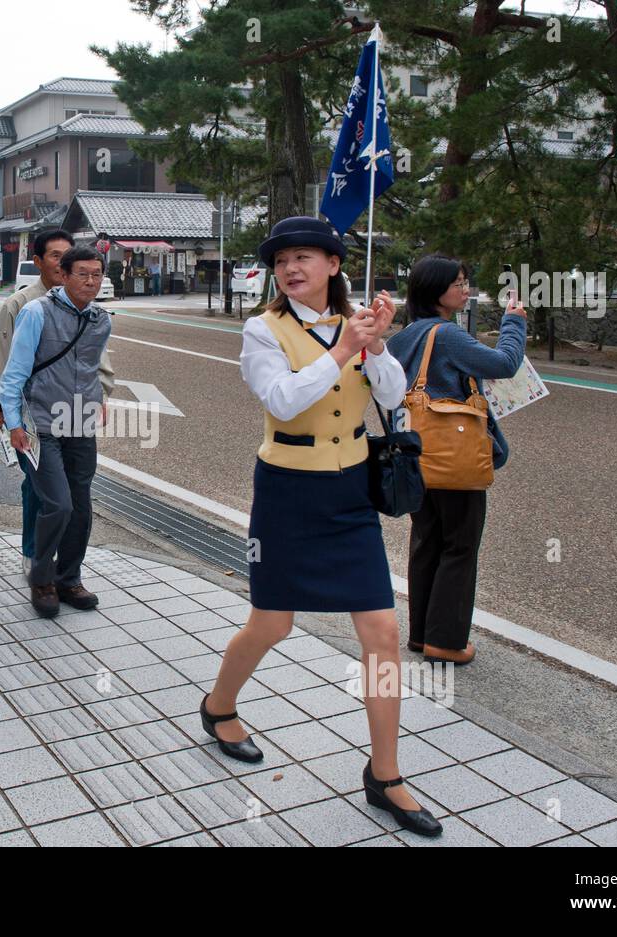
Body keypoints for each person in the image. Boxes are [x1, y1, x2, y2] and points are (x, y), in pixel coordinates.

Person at [203, 215, 442, 838]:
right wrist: (341, 352)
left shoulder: (358, 323)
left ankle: (384, 774)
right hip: (287, 491)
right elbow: (281, 400)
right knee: (272, 624)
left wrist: (379, 346)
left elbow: (392, 399)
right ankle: (218, 705)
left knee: (384, 632)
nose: (291, 268)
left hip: (350, 491)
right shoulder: (263, 329)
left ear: (334, 265)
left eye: (304, 257)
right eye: (282, 260)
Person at [386, 255, 528, 666]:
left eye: (466, 283)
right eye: (459, 284)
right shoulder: (445, 334)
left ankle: (421, 635)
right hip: (454, 456)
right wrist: (513, 323)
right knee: (459, 546)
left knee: (426, 543)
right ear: (436, 290)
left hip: (416, 456)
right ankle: (446, 641)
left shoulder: (405, 335)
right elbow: (504, 363)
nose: (466, 291)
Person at [0, 229, 104, 574]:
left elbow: (95, 362)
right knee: (43, 491)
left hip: (75, 417)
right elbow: (4, 357)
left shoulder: (93, 314)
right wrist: (0, 408)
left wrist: (100, 396)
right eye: (56, 256)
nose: (64, 262)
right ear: (40, 262)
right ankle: (34, 554)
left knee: (71, 498)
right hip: (35, 416)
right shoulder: (25, 305)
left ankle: (65, 572)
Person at [0, 245, 113, 619]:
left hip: (80, 424)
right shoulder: (36, 313)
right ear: (62, 275)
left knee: (80, 506)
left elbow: (91, 368)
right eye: (83, 273)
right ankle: (42, 579)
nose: (91, 281)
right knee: (57, 504)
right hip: (40, 425)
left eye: (97, 274)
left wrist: (99, 399)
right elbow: (13, 374)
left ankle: (69, 578)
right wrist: (14, 424)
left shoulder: (100, 319)